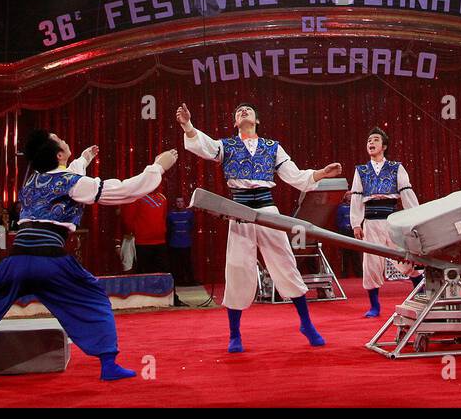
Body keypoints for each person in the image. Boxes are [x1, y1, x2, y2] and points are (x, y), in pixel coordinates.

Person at [0, 131, 177, 381]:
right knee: (94, 300)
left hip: (16, 260)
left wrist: (83, 160)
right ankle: (108, 365)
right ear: (59, 154)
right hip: (51, 261)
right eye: (60, 139)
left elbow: (65, 178)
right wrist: (158, 167)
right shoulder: (71, 182)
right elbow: (125, 190)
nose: (64, 138)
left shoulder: (32, 181)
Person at [176, 101, 342, 353]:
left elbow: (295, 176)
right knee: (237, 267)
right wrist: (187, 125)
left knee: (285, 262)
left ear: (257, 120)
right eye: (239, 111)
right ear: (234, 122)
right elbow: (204, 146)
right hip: (239, 210)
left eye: (249, 110)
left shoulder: (272, 147)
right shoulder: (226, 146)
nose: (244, 112)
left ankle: (307, 324)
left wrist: (320, 173)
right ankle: (234, 334)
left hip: (267, 209)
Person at [351, 127, 420, 318]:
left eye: (375, 140)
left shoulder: (396, 167)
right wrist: (356, 223)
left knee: (404, 259)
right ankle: (374, 306)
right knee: (371, 264)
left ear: (384, 146)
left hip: (392, 220)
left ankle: (421, 293)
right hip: (370, 223)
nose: (371, 143)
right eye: (368, 141)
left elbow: (406, 192)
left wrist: (414, 218)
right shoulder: (361, 170)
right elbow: (356, 197)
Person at [121, 189, 171, 274]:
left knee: (163, 271)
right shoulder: (135, 198)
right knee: (145, 272)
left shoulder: (162, 197)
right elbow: (128, 219)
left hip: (160, 241)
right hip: (143, 242)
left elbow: (164, 217)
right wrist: (137, 231)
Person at [167, 196, 196, 288]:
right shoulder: (170, 214)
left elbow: (191, 226)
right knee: (176, 264)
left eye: (181, 201)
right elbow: (169, 228)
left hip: (186, 242)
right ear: (175, 203)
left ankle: (190, 281)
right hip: (174, 243)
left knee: (187, 262)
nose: (179, 203)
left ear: (184, 203)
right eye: (177, 201)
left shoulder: (189, 213)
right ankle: (178, 281)